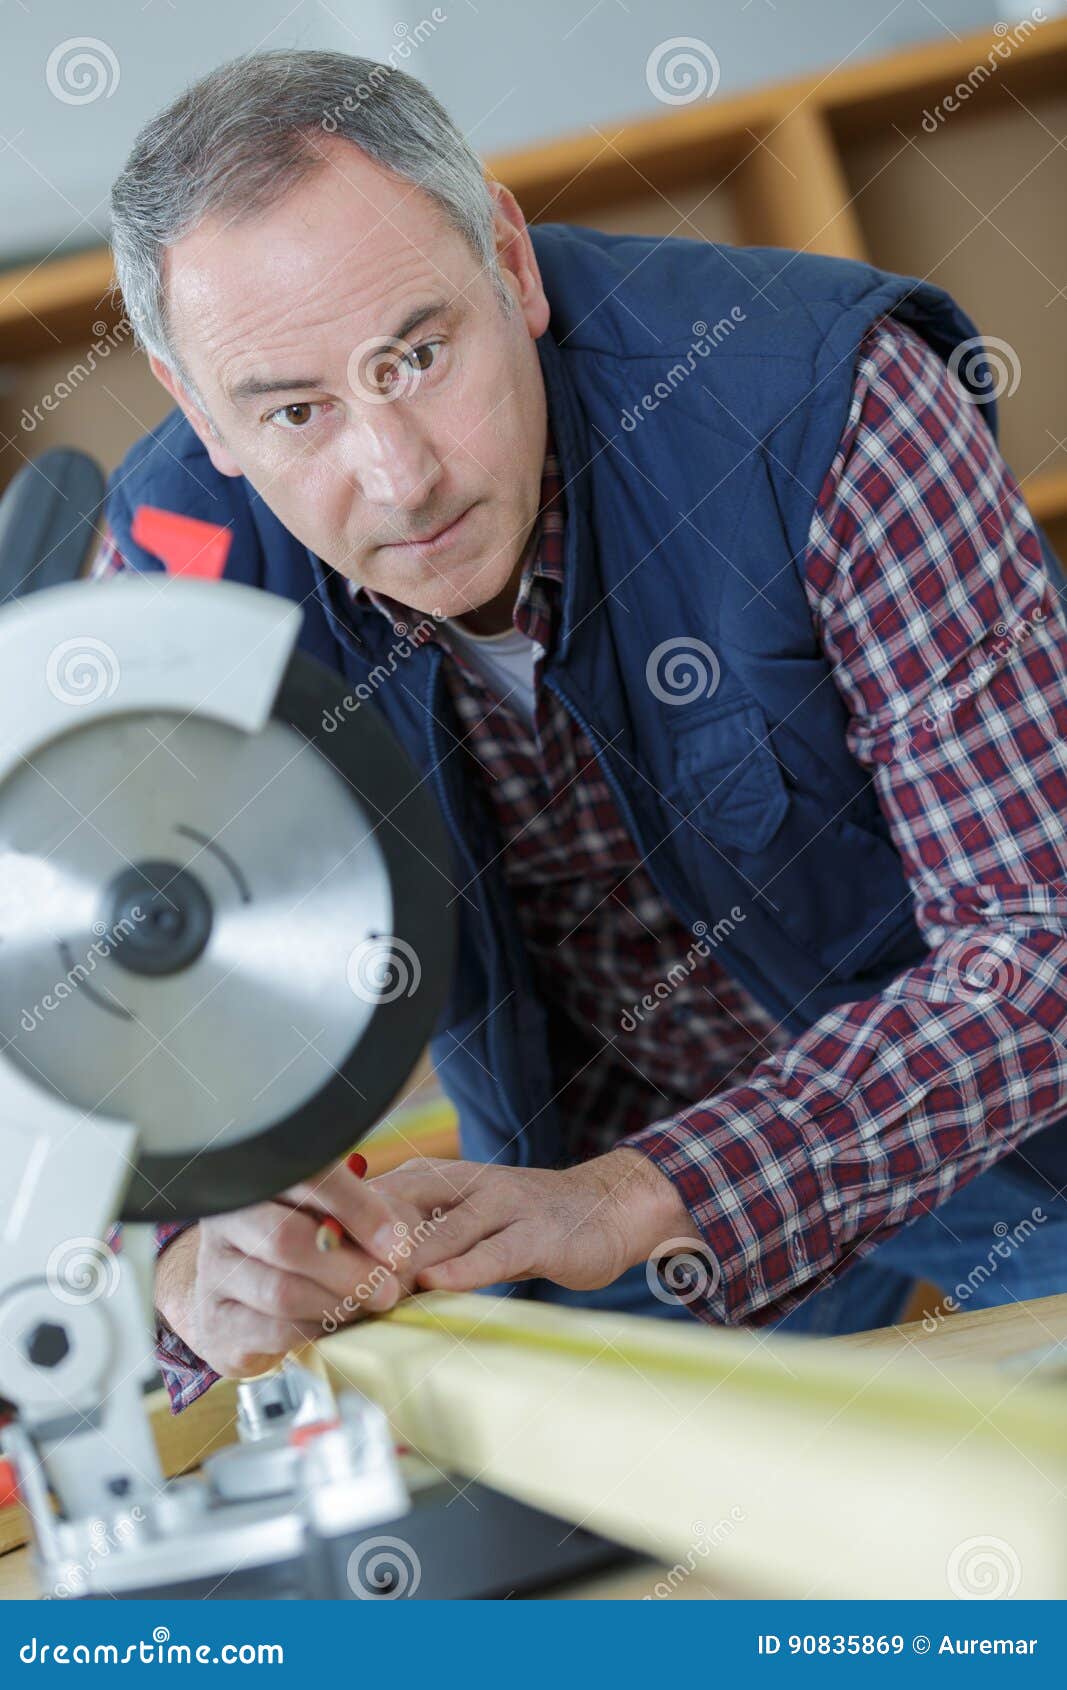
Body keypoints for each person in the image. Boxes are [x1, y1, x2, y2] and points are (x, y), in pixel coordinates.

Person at [97, 51, 1067, 1411]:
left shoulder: (827, 405)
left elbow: (1041, 949)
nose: (399, 473)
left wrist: (651, 1191)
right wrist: (182, 1253)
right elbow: (98, 1013)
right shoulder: (175, 566)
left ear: (511, 257)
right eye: (295, 409)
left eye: (419, 353)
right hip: (557, 1200)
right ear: (196, 404)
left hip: (991, 1140)